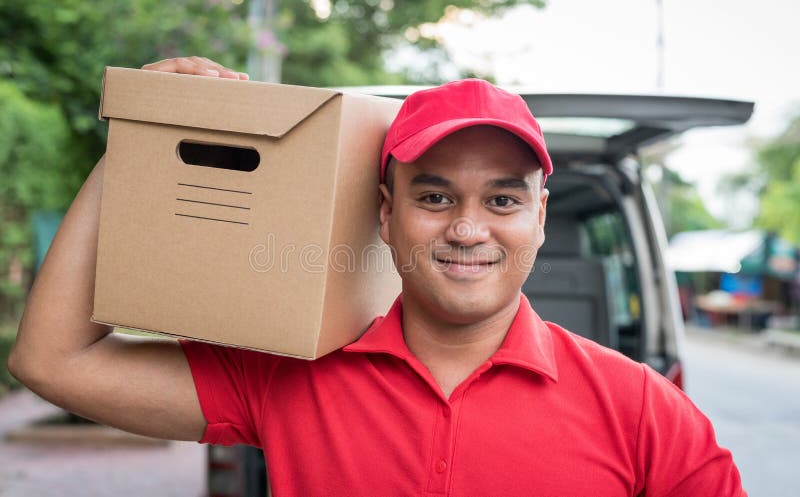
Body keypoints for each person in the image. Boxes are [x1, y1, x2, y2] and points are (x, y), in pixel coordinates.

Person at [9, 57, 746, 496]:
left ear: (541, 217)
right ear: (386, 214)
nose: (467, 226)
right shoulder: (291, 376)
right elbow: (52, 360)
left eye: (502, 198)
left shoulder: (643, 409)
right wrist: (139, 136)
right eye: (434, 196)